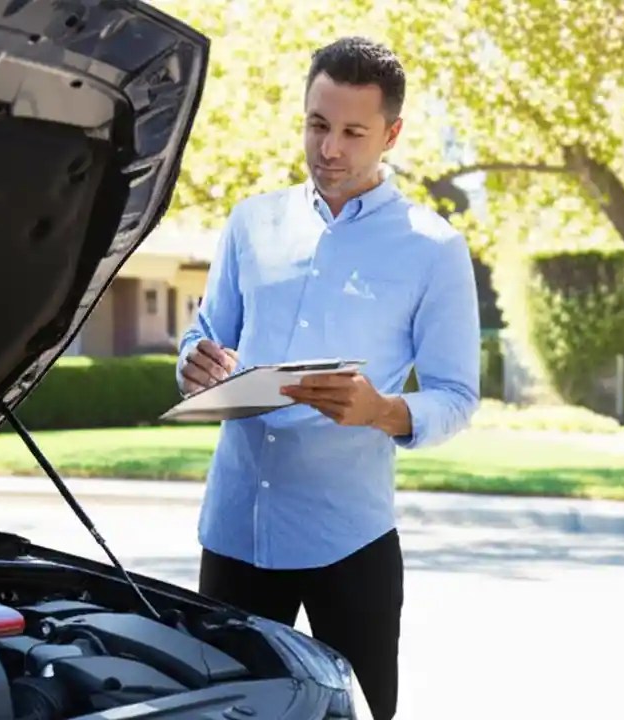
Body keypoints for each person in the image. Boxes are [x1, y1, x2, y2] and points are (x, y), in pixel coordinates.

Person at [175, 36, 480, 720]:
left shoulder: (432, 248)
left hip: (350, 543)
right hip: (234, 533)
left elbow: (456, 397)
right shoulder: (252, 223)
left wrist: (380, 411)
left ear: (391, 134)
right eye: (317, 125)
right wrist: (194, 363)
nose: (329, 149)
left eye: (352, 131)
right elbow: (205, 335)